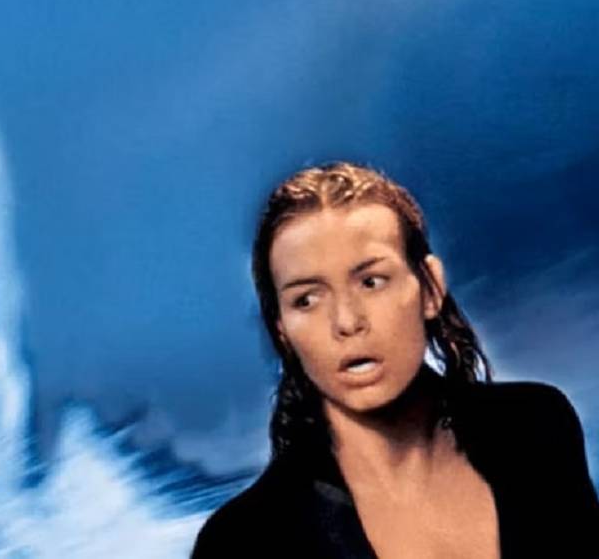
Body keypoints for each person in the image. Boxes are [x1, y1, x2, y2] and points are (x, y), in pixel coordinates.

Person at [191, 161, 599, 558]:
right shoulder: (244, 540)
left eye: (371, 282)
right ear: (282, 331)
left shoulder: (536, 428)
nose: (346, 322)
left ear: (430, 288)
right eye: (307, 299)